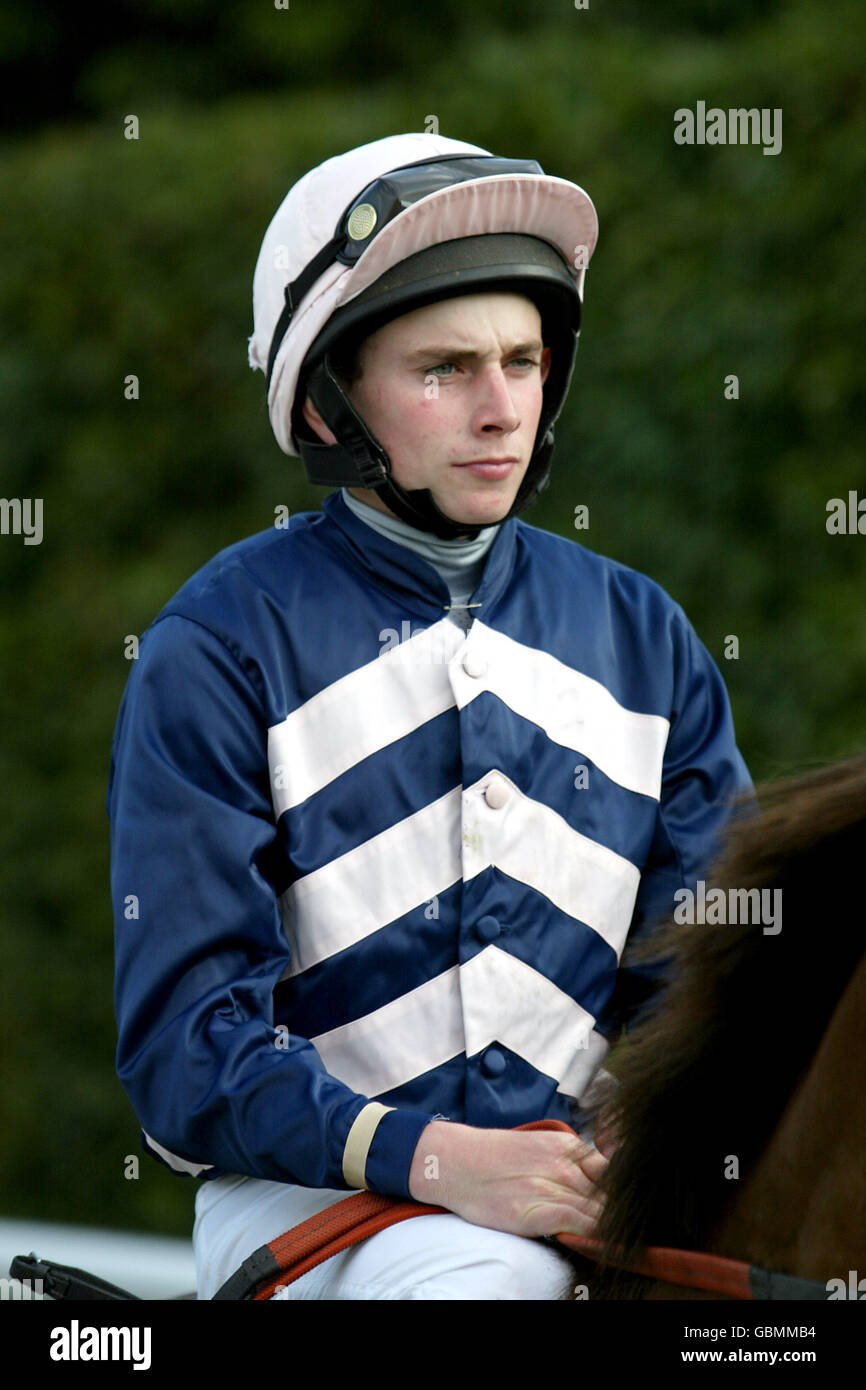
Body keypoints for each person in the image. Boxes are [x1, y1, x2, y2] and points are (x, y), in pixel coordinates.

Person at [108, 132, 753, 1300]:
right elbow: (185, 1056)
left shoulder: (645, 636)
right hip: (316, 1207)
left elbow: (708, 981)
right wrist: (441, 1160)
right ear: (326, 403)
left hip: (590, 1188)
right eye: (444, 369)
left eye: (522, 359)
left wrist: (621, 1132)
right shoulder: (217, 643)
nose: (501, 408)